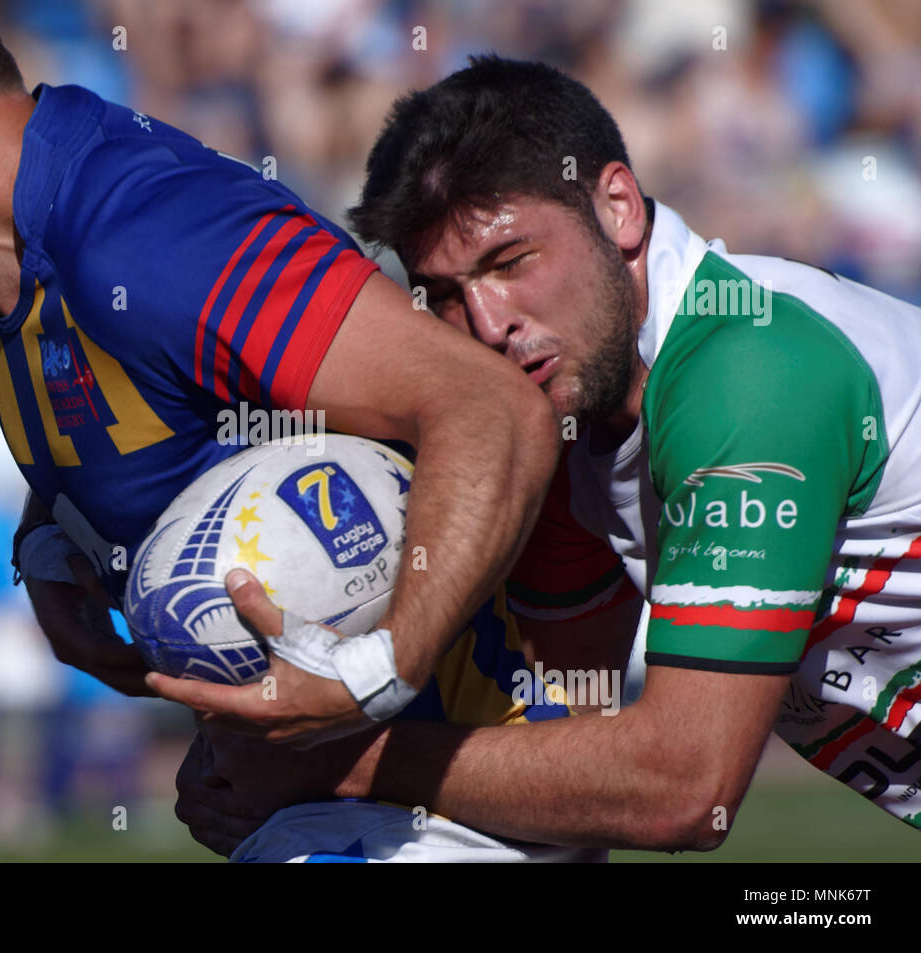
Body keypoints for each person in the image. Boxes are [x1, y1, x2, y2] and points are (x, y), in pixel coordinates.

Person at [0, 3, 623, 859]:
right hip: (334, 808)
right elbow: (154, 394)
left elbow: (490, 410)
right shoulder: (1, 239)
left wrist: (375, 672)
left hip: (447, 811)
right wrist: (54, 539)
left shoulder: (141, 229)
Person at [166, 56, 921, 851]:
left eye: (510, 261)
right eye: (447, 295)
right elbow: (563, 734)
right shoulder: (570, 428)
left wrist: (338, 762)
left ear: (619, 208)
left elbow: (686, 788)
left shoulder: (750, 374)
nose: (489, 323)